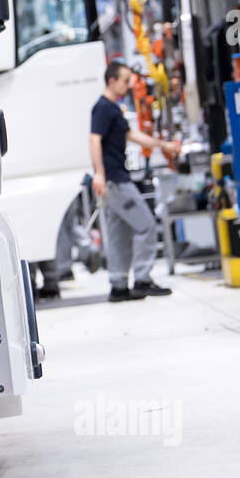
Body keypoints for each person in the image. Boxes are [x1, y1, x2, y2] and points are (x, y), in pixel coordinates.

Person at [90, 60, 181, 302]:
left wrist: (164, 146)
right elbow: (94, 140)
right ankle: (142, 280)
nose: (129, 85)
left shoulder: (113, 109)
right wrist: (99, 173)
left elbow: (133, 136)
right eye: (126, 80)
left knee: (119, 235)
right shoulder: (102, 108)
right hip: (115, 181)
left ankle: (118, 287)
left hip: (114, 181)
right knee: (146, 225)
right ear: (112, 80)